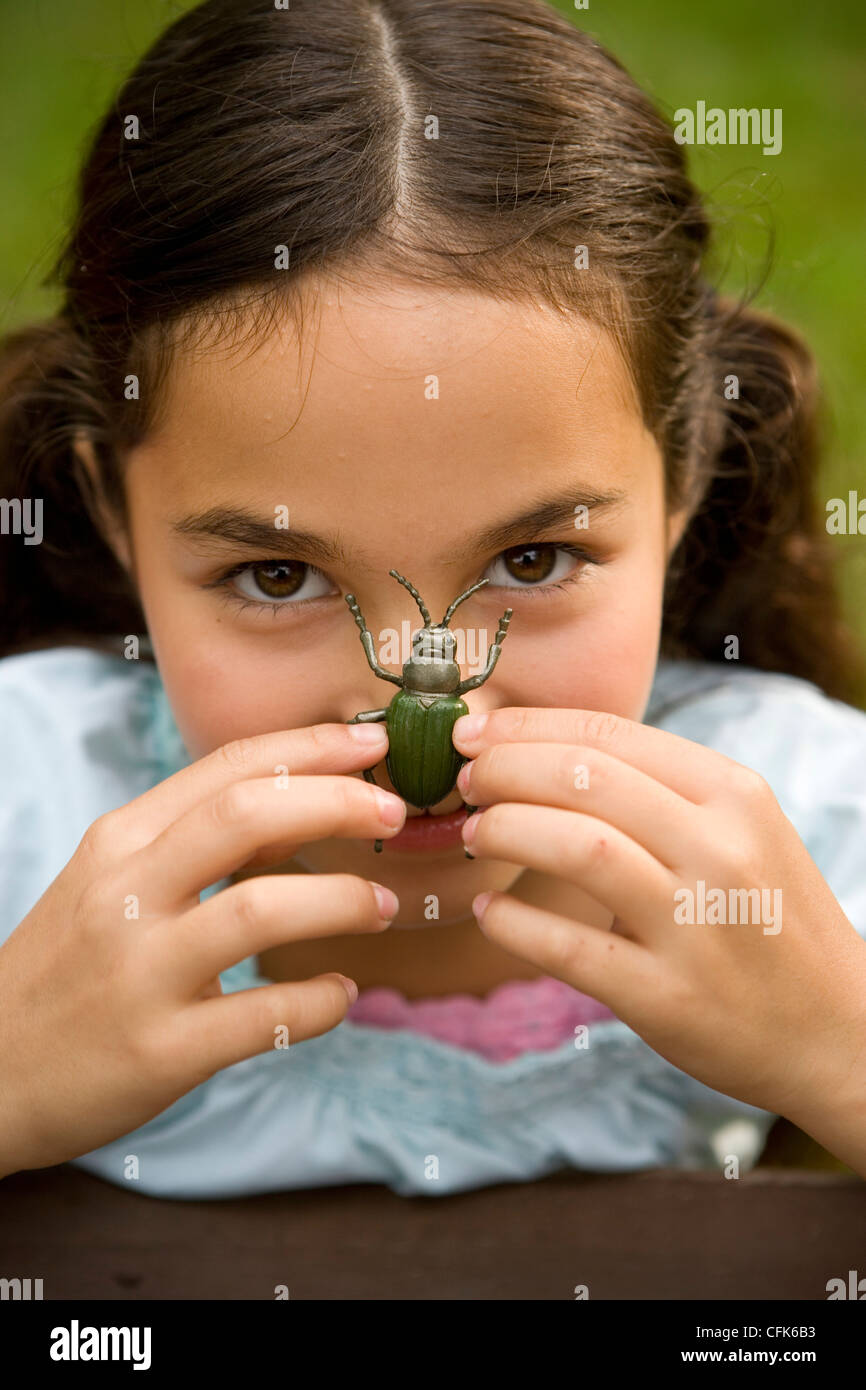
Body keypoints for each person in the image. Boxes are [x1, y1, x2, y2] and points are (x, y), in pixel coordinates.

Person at [1, 0, 865, 1199]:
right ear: (110, 512)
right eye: (278, 574)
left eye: (530, 562)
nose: (430, 708)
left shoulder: (815, 831)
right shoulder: (23, 808)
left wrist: (842, 1053)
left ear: (676, 487)